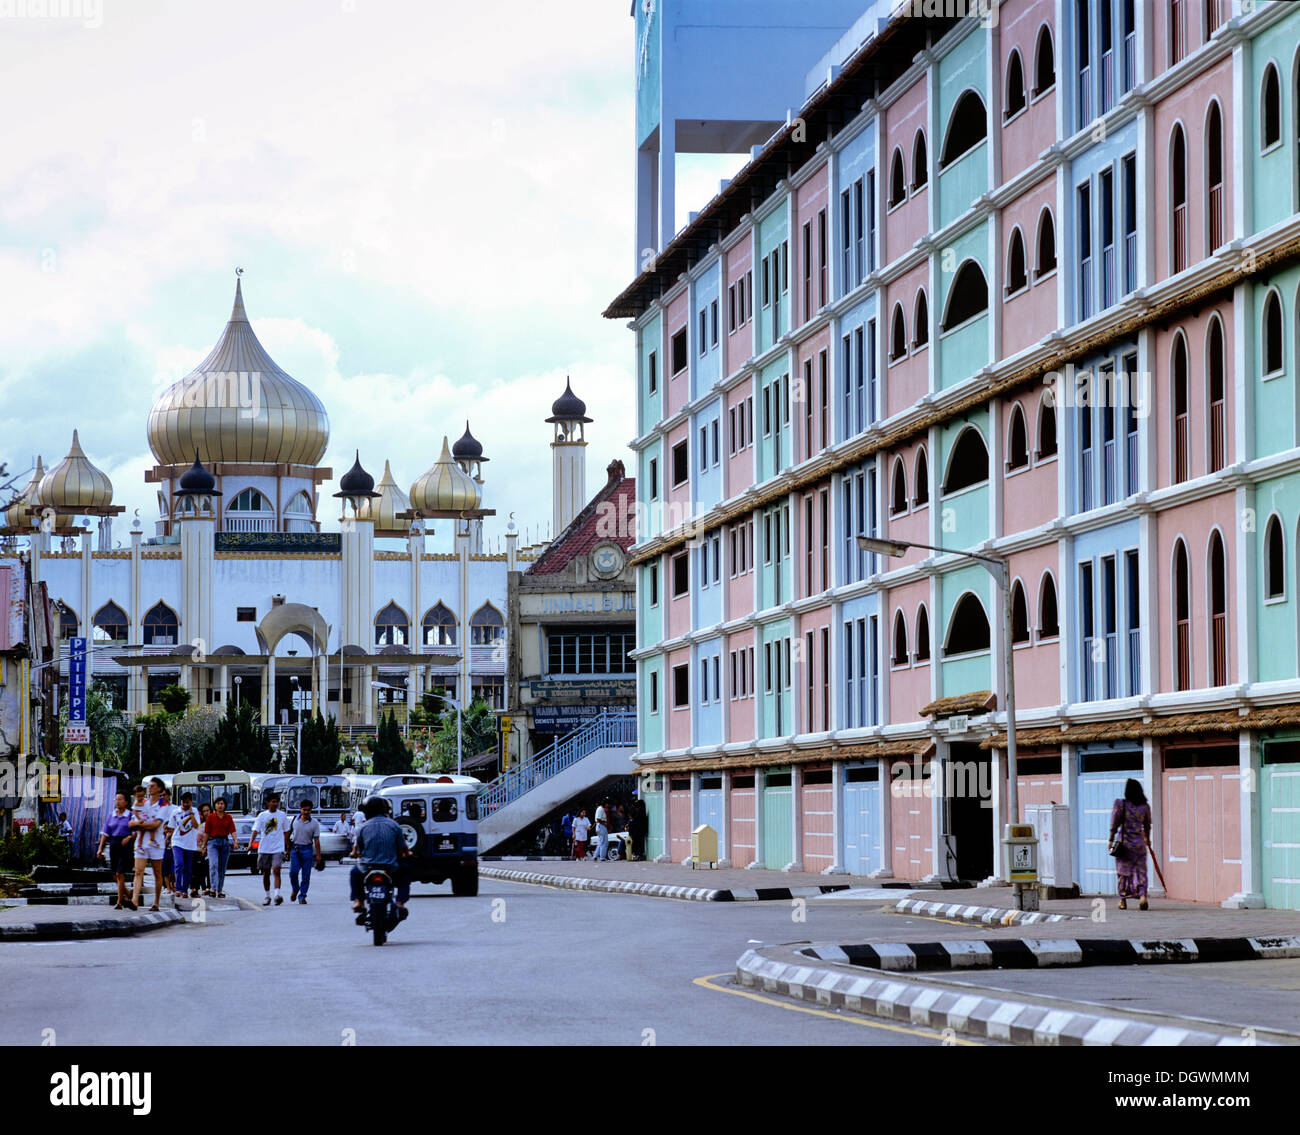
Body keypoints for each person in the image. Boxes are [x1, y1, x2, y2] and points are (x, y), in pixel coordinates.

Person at [349, 797, 410, 919]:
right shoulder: (394, 826)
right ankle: (400, 902)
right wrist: (406, 854)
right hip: (390, 867)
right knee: (406, 871)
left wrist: (355, 854)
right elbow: (402, 847)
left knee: (354, 873)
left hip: (367, 868)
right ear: (386, 809)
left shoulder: (363, 828)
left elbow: (357, 850)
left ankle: (358, 901)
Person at [1109, 778, 1153, 911]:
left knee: (1123, 872)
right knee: (1141, 871)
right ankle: (1142, 896)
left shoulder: (1120, 804)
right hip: (1139, 844)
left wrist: (1110, 839)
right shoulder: (1145, 807)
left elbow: (1114, 823)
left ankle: (1123, 901)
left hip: (1124, 844)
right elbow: (1147, 826)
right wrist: (1148, 840)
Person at [129, 778, 168, 911]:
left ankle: (156, 902)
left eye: (152, 786)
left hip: (156, 843)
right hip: (141, 843)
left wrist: (140, 826)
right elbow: (131, 823)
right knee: (138, 871)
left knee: (157, 873)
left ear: (159, 789)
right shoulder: (142, 802)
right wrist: (141, 825)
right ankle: (134, 900)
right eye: (149, 786)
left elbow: (156, 825)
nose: (149, 788)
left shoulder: (163, 805)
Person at [96, 792, 135, 910]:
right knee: (114, 874)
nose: (117, 802)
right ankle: (128, 894)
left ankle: (119, 901)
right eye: (116, 799)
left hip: (125, 845)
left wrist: (128, 838)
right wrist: (100, 848)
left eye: (120, 799)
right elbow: (105, 833)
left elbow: (136, 832)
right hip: (113, 844)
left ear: (126, 802)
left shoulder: (130, 815)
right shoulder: (111, 815)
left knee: (120, 873)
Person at [251, 793, 290, 906]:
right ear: (268, 803)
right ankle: (267, 896)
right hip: (264, 848)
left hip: (278, 848)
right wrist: (250, 843)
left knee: (276, 870)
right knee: (266, 873)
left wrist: (287, 847)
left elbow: (286, 831)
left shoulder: (282, 815)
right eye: (272, 801)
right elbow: (255, 830)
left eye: (276, 802)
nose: (275, 804)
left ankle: (277, 895)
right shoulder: (262, 816)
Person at [287, 800, 323, 904]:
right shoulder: (294, 820)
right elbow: (288, 835)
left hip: (307, 849)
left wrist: (318, 855)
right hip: (295, 849)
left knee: (306, 875)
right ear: (300, 810)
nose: (306, 812)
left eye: (308, 810)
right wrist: (287, 849)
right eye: (304, 810)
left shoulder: (314, 823)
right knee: (293, 873)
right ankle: (295, 889)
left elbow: (316, 840)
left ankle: (302, 896)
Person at [170, 792, 202, 899]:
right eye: (184, 802)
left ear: (191, 802)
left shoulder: (195, 811)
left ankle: (184, 889)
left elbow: (196, 825)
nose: (185, 804)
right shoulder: (175, 812)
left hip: (190, 843)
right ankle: (178, 888)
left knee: (187, 867)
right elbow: (171, 827)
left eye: (188, 802)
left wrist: (191, 814)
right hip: (177, 841)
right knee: (179, 864)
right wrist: (168, 839)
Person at [203, 796, 238, 897]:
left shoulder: (228, 817)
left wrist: (235, 841)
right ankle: (213, 888)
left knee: (222, 868)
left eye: (222, 803)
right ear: (215, 806)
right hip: (212, 842)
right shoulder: (210, 817)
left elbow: (233, 830)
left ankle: (219, 890)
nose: (220, 805)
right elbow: (207, 832)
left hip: (224, 842)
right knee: (213, 865)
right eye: (218, 804)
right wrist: (204, 845)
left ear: (225, 805)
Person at [158, 788, 178, 896]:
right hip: (160, 837)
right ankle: (166, 886)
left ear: (169, 795)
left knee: (173, 866)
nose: (162, 797)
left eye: (164, 795)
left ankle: (173, 885)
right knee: (163, 864)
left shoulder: (175, 808)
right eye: (160, 795)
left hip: (173, 836)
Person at [192, 803, 212, 897]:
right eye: (203, 811)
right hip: (196, 849)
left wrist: (205, 848)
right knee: (198, 871)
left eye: (207, 810)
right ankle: (198, 888)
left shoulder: (209, 824)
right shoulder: (199, 824)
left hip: (207, 849)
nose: (205, 813)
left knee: (207, 869)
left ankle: (207, 887)